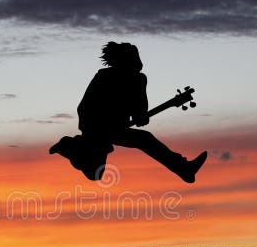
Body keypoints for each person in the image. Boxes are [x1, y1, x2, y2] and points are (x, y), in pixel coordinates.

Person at [49, 41, 207, 183]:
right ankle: (70, 145)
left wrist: (140, 116)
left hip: (112, 129)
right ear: (122, 60)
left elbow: (140, 113)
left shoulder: (139, 80)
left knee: (95, 175)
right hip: (95, 127)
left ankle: (70, 146)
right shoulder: (104, 77)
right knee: (143, 139)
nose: (137, 61)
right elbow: (85, 106)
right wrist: (95, 129)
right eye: (133, 57)